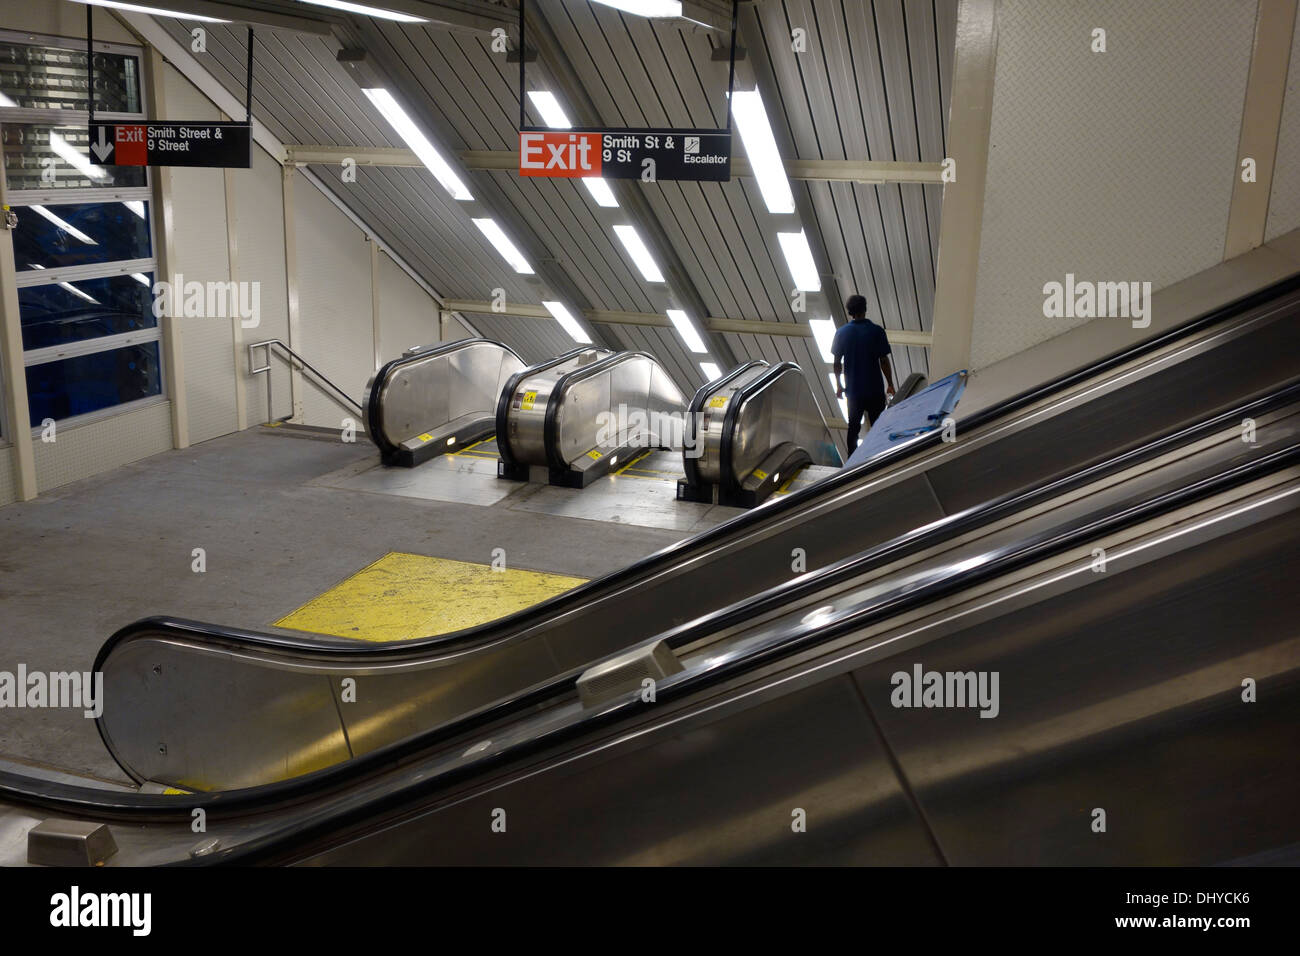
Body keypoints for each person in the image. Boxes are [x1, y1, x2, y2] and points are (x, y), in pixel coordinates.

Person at [832, 295, 895, 455]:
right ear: (865, 309)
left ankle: (851, 463)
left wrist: (839, 385)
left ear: (849, 312)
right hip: (874, 390)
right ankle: (880, 456)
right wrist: (890, 384)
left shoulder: (841, 333)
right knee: (879, 426)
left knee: (853, 428)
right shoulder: (876, 331)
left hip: (854, 392)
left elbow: (837, 363)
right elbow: (884, 360)